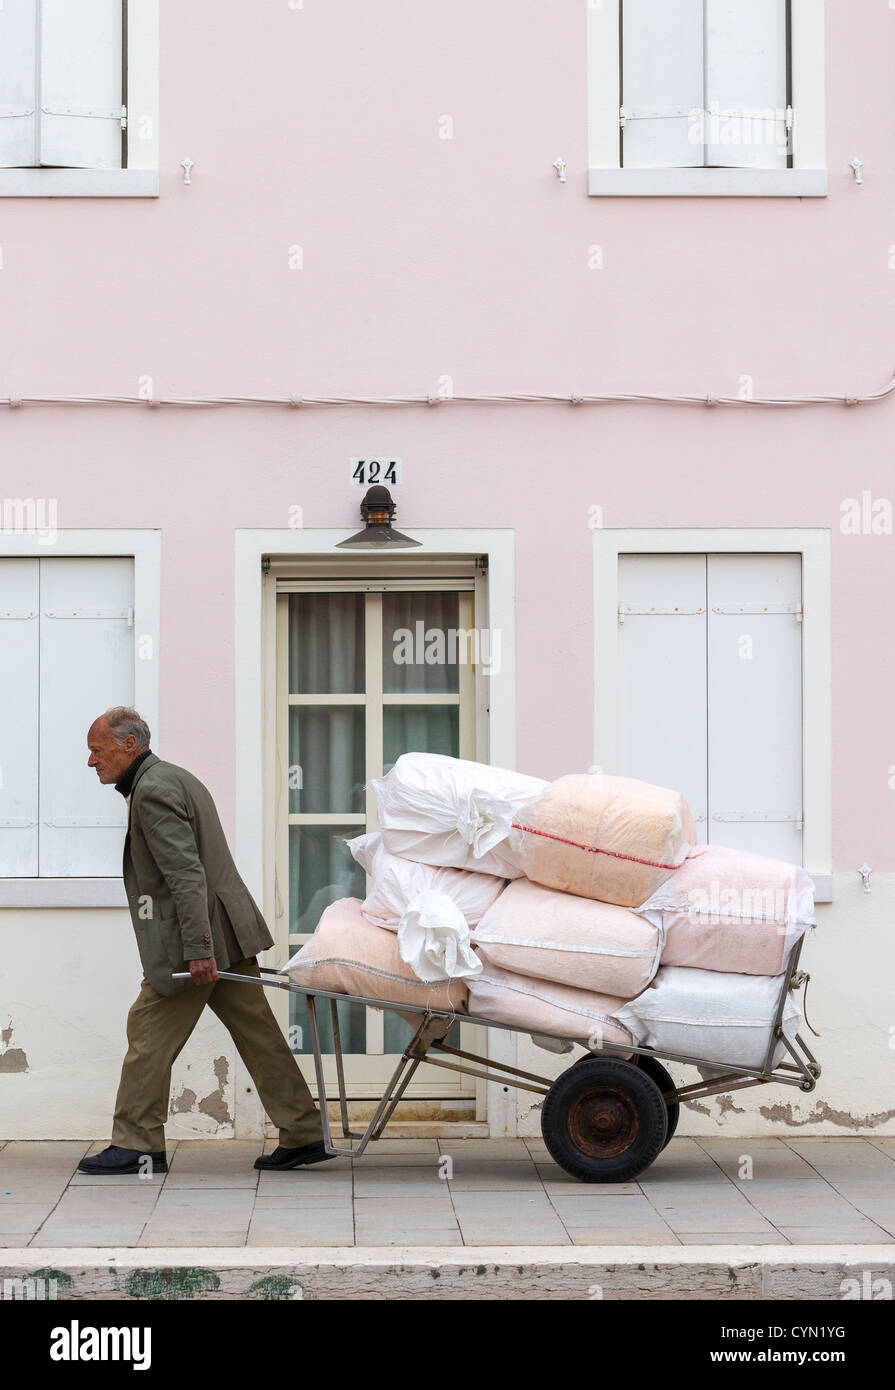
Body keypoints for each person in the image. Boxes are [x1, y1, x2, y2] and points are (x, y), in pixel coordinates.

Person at [78, 706, 332, 1175]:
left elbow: (186, 876)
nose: (92, 761)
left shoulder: (152, 790)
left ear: (129, 745)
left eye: (97, 750)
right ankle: (303, 1132)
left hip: (198, 943)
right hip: (228, 931)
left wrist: (198, 949)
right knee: (259, 1034)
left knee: (148, 1034)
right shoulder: (174, 777)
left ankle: (137, 1143)